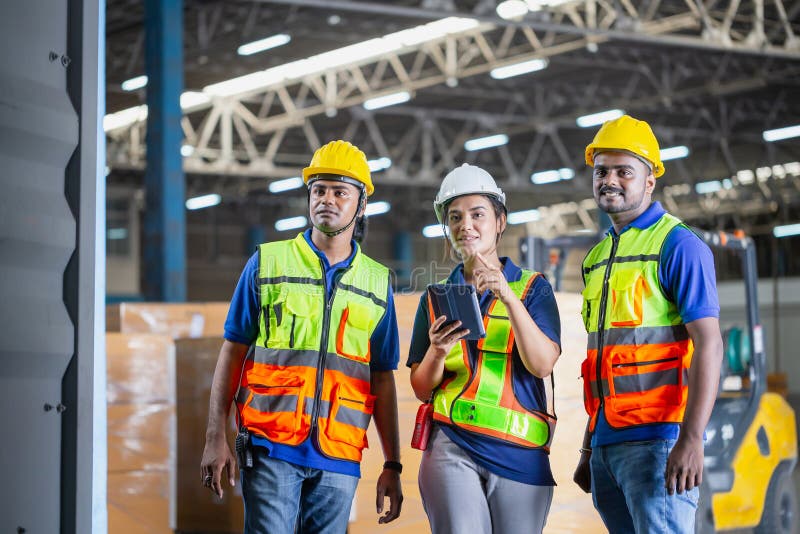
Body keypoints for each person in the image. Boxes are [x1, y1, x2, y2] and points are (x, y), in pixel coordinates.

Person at [201, 140, 403, 533]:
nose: (326, 199)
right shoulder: (268, 262)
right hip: (271, 447)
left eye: (340, 191)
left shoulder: (378, 283)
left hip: (339, 455)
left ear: (361, 205)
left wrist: (392, 464)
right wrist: (215, 436)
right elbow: (233, 352)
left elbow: (382, 377)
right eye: (319, 189)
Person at [572, 115, 723, 533]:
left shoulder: (679, 246)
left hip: (659, 442)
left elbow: (709, 345)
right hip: (606, 445)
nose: (610, 180)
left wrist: (691, 439)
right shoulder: (597, 257)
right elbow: (605, 360)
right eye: (602, 171)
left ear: (650, 181)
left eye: (625, 171)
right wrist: (589, 448)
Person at [407, 163, 562, 534]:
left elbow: (541, 365)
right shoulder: (436, 298)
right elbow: (421, 388)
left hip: (520, 454)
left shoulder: (533, 290)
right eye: (455, 217)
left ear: (500, 221)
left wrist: (508, 297)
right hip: (452, 444)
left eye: (478, 214)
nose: (466, 225)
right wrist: (438, 352)